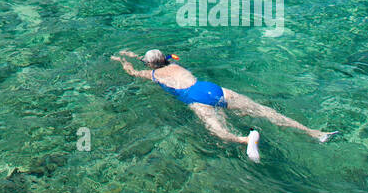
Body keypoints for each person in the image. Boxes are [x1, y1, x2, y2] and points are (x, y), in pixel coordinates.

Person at [112, 48, 337, 162]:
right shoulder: (171, 61)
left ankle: (246, 139)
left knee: (220, 133)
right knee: (264, 111)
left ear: (150, 64)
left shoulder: (154, 75)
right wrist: (134, 53)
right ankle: (314, 133)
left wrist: (121, 60)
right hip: (211, 88)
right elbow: (162, 55)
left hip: (196, 99)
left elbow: (132, 71)